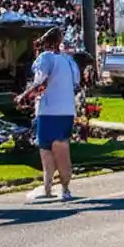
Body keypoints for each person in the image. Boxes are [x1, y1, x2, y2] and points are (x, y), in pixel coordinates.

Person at [18, 27, 80, 202]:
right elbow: (76, 85)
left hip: (49, 110)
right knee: (62, 148)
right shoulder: (69, 62)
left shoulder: (45, 58)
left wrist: (24, 95)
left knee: (46, 150)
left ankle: (48, 188)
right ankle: (65, 188)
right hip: (67, 110)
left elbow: (40, 81)